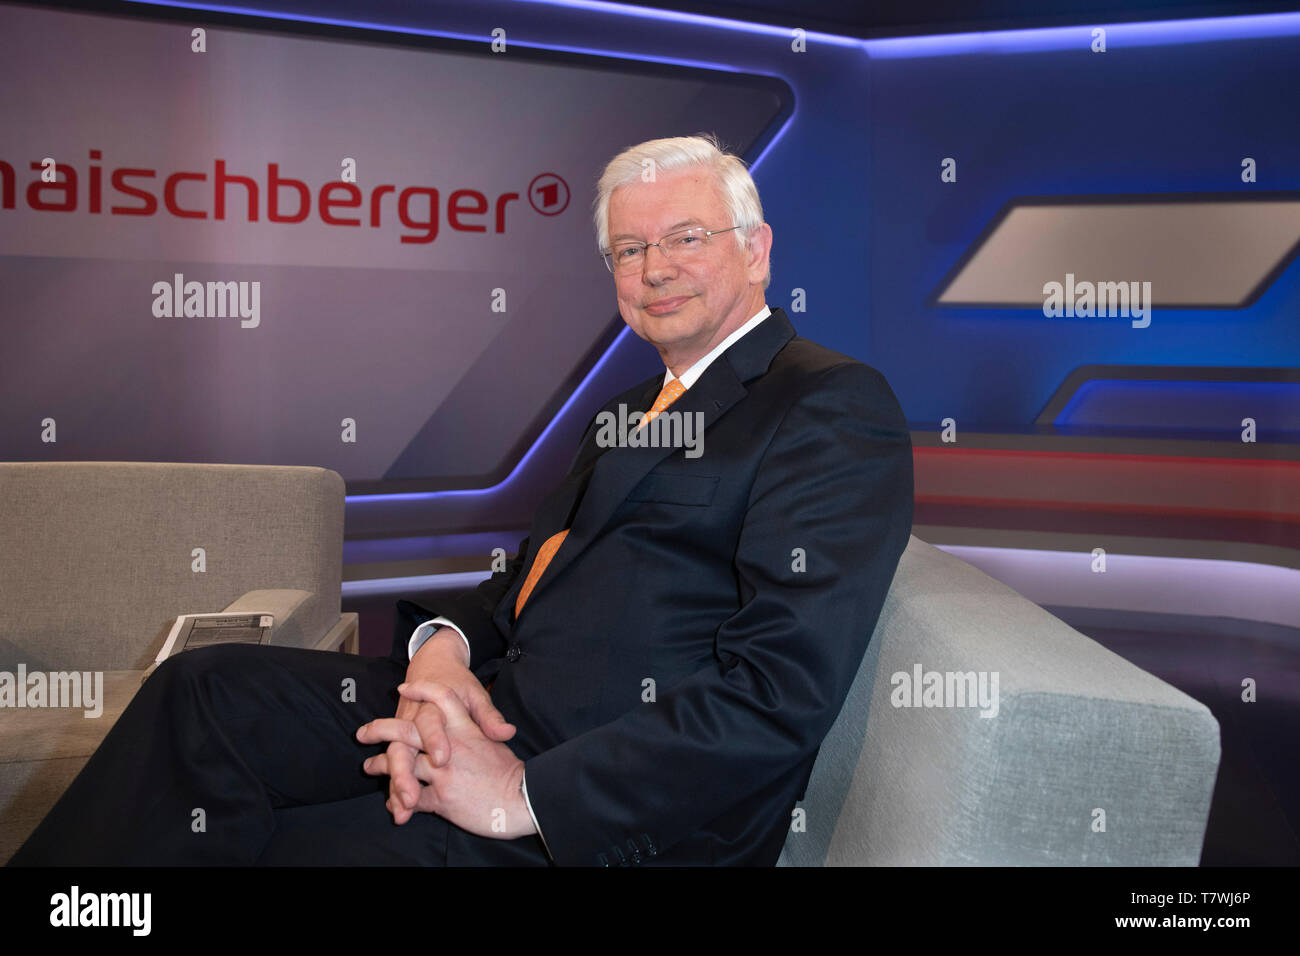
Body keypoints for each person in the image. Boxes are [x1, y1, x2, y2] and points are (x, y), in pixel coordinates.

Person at [9, 133, 913, 867]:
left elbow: (777, 693)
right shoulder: (631, 410)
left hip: (602, 804)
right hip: (491, 710)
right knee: (201, 693)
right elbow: (530, 587)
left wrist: (518, 795)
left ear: (756, 251)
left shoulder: (826, 403)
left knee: (271, 848)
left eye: (685, 238)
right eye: (630, 249)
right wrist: (437, 657)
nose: (654, 268)